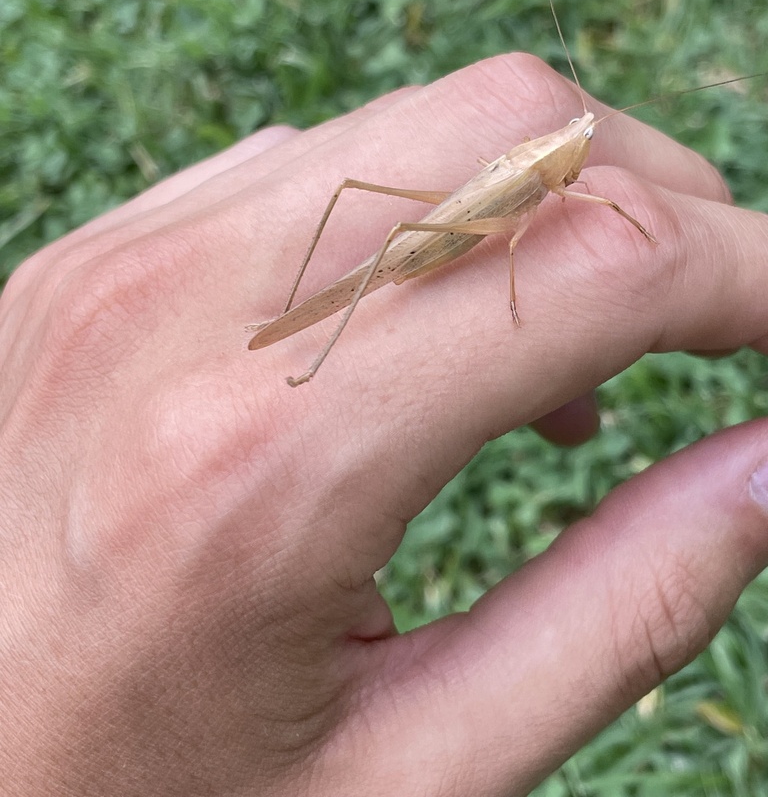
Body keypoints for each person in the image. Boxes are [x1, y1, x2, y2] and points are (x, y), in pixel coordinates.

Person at [2, 53, 767, 797]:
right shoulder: (539, 173)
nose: (583, 151)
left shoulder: (553, 163)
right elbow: (517, 234)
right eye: (580, 144)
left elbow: (558, 199)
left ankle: (304, 323)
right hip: (442, 239)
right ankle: (308, 335)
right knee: (385, 229)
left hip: (481, 214)